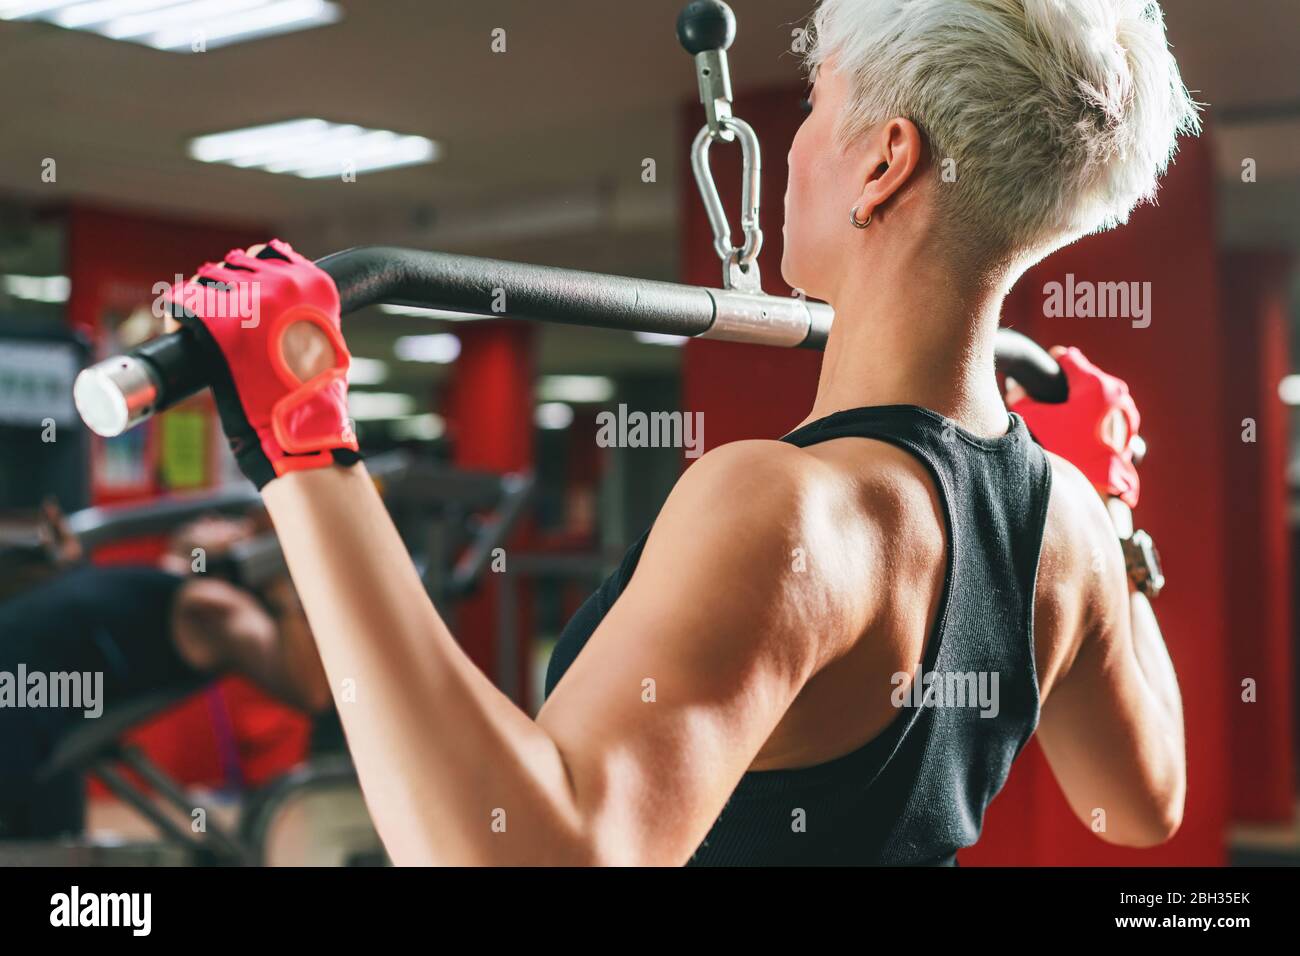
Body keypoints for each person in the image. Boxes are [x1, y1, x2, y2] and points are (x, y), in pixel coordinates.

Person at [164, 0, 1196, 865]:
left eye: (813, 105)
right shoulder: (1067, 522)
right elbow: (1139, 799)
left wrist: (303, 449)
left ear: (886, 161)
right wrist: (1113, 504)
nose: (790, 145)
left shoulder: (789, 511)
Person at [0, 509, 330, 838]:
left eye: (236, 527)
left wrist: (281, 586)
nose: (212, 520)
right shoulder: (157, 577)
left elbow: (309, 691)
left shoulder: (211, 605)